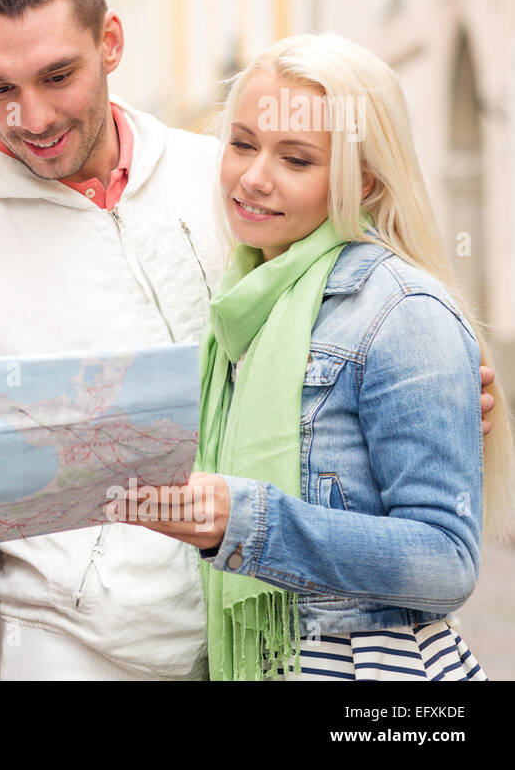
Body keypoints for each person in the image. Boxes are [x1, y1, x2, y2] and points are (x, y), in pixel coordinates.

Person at [0, 0, 500, 680]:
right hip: (81, 655)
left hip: (260, 641)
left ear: (111, 40)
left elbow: (329, 340)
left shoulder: (220, 174)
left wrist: (420, 398)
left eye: (57, 76)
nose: (33, 119)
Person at [111, 33, 512, 680]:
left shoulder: (402, 310)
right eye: (242, 144)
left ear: (364, 179)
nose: (254, 177)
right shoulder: (244, 306)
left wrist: (242, 520)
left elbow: (447, 561)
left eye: (295, 160)